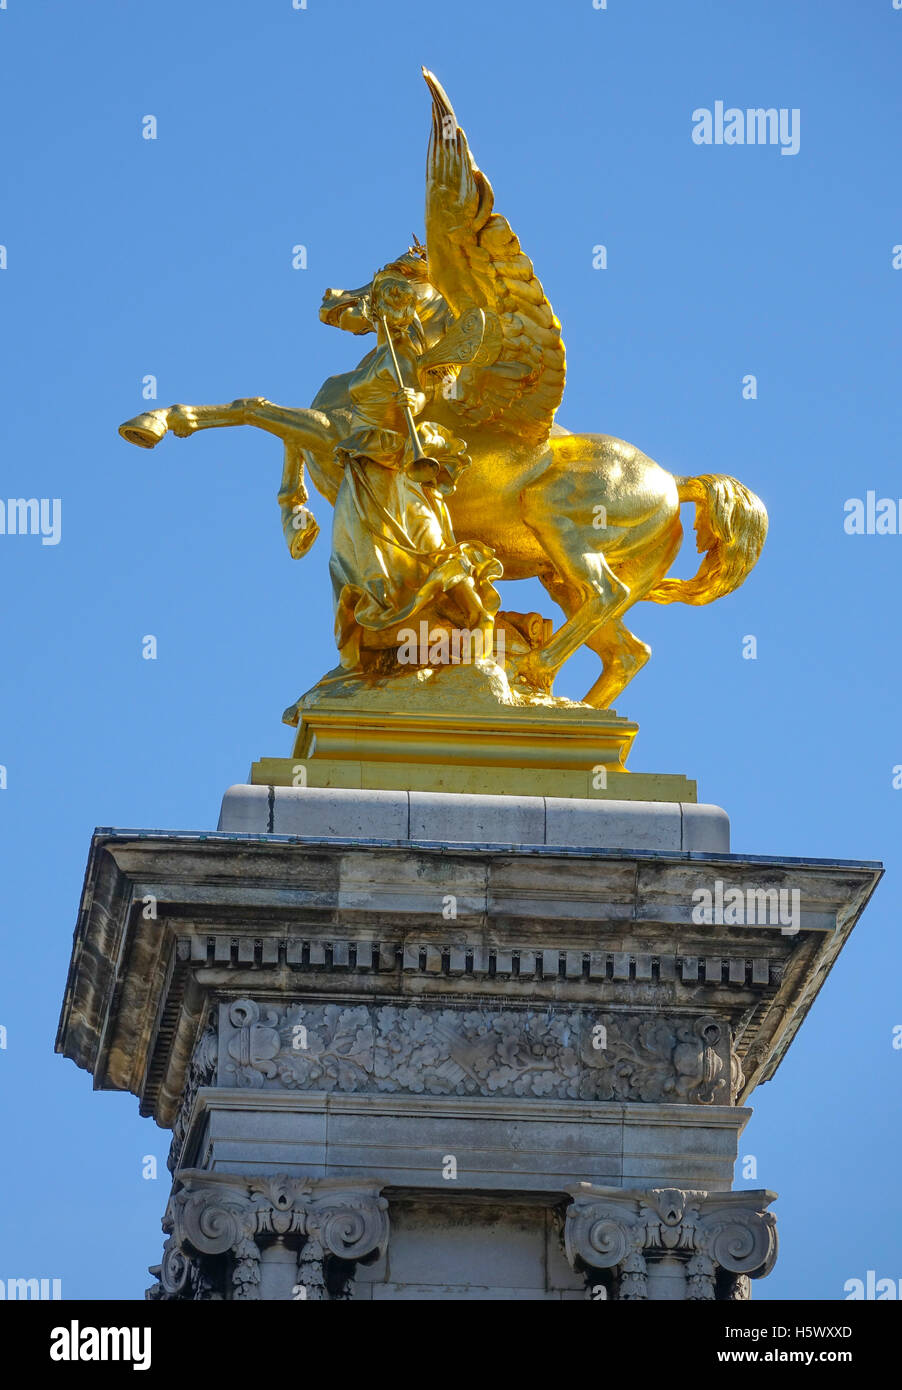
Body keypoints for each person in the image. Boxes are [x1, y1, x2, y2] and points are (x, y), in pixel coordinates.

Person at [329, 266, 501, 671]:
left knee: (423, 543)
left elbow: (420, 393)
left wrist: (414, 400)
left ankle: (478, 618)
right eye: (381, 308)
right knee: (359, 549)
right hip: (365, 460)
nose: (383, 316)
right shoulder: (382, 353)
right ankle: (391, 633)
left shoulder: (402, 353)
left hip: (391, 456)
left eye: (389, 307)